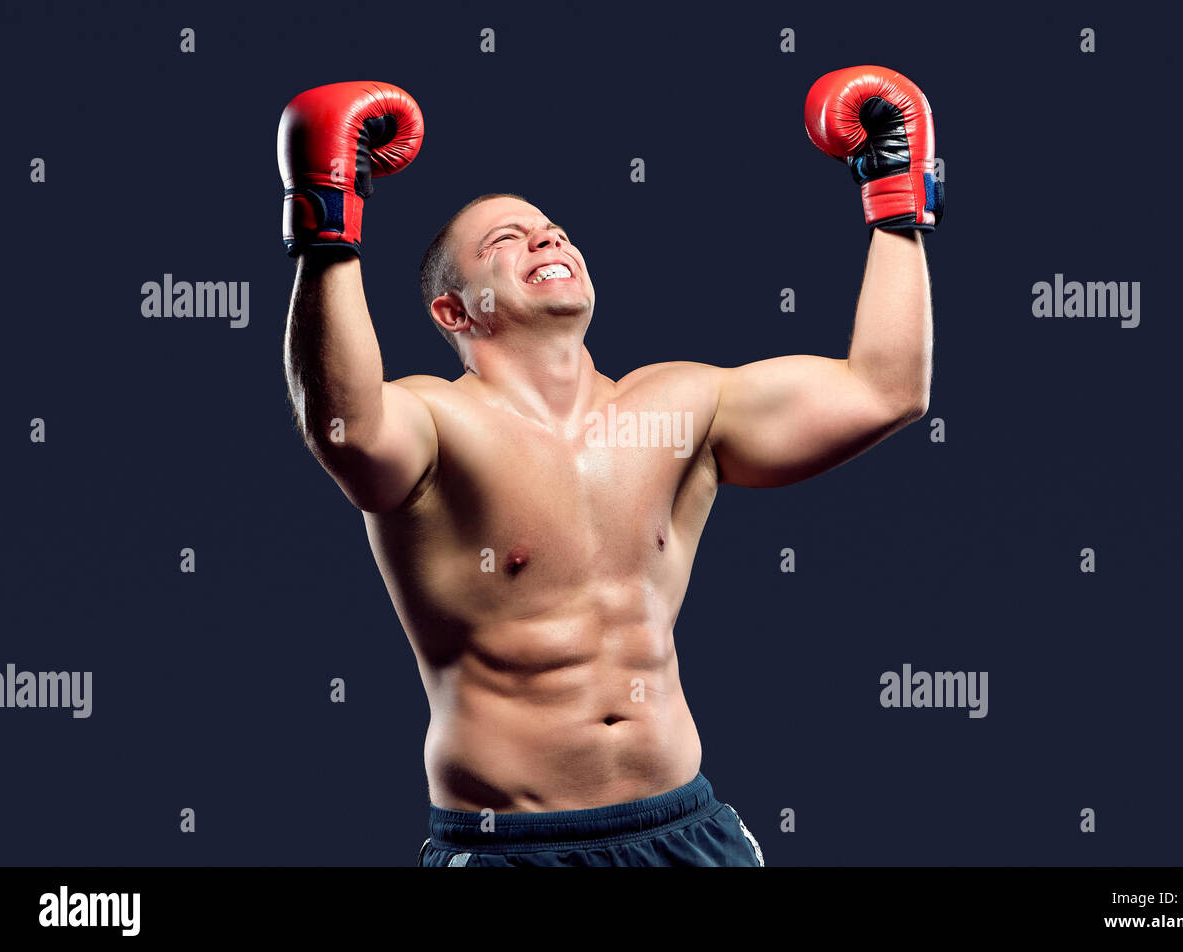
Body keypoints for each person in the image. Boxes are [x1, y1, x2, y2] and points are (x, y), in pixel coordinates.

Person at [277, 66, 940, 866]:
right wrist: (326, 231)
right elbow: (343, 430)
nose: (546, 239)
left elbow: (886, 389)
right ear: (454, 311)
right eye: (506, 241)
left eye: (552, 230)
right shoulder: (437, 422)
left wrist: (899, 201)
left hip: (684, 833)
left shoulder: (681, 406)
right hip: (511, 846)